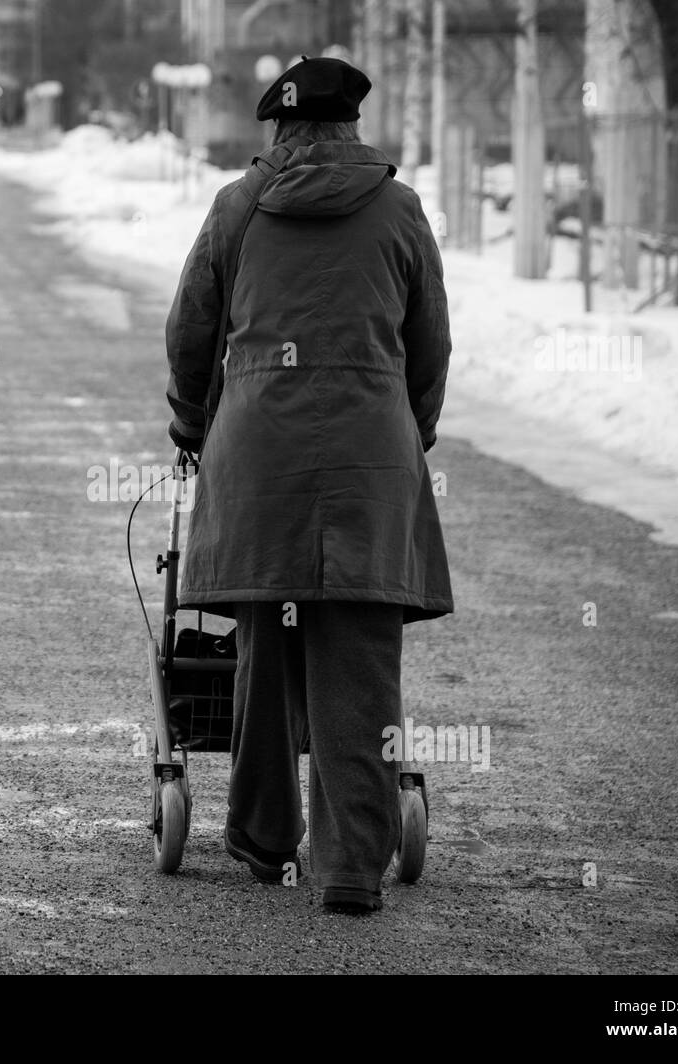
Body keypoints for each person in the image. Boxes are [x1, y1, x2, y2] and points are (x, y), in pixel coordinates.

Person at [164, 56, 453, 914]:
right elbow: (429, 338)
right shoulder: (399, 208)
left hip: (259, 457)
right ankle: (351, 867)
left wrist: (192, 423)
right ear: (352, 128)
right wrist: (410, 429)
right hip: (371, 459)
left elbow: (191, 329)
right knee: (360, 661)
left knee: (262, 643)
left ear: (279, 130)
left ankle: (263, 836)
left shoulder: (239, 208)